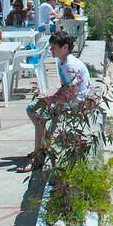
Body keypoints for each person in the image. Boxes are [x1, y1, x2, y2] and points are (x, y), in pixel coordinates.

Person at [23, 30, 92, 164]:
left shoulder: (69, 65)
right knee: (30, 108)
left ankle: (38, 155)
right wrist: (50, 98)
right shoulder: (62, 62)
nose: (51, 50)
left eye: (54, 47)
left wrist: (52, 101)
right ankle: (41, 147)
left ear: (64, 47)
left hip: (75, 102)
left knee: (39, 115)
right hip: (68, 98)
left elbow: (72, 93)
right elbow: (64, 87)